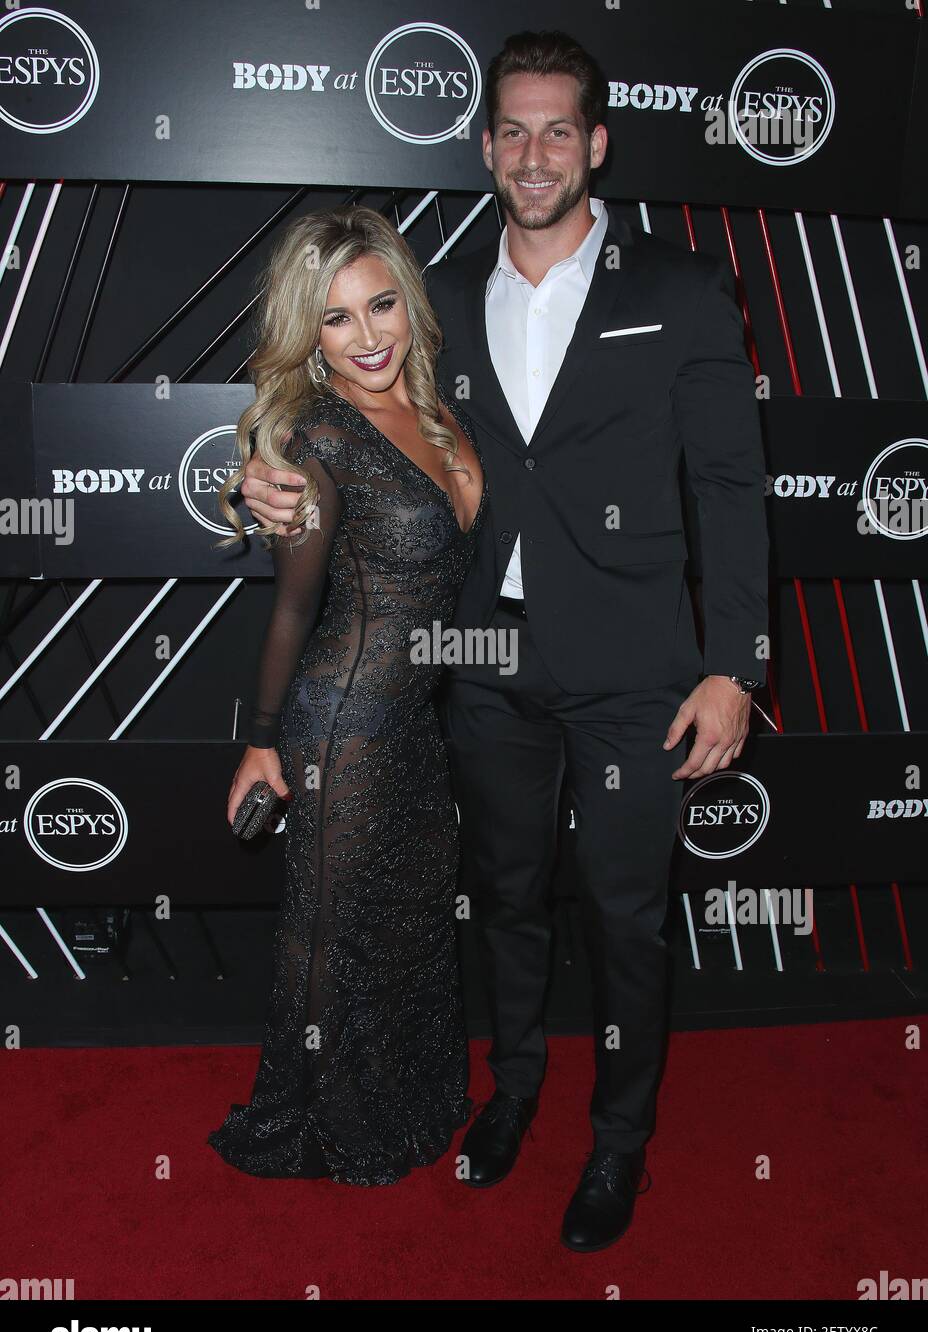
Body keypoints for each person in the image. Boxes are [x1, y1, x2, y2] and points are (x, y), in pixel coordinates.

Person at [240, 31, 769, 1248]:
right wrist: (252, 477)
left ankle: (619, 1145)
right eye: (511, 132)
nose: (534, 155)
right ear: (485, 148)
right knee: (508, 898)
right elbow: (336, 414)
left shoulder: (680, 290)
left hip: (640, 670)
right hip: (483, 666)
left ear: (595, 143)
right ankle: (515, 1093)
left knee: (628, 917)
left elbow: (733, 491)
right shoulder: (440, 308)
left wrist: (735, 665)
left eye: (557, 131)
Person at [207, 205, 486, 1186]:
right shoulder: (317, 437)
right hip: (343, 726)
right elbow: (291, 608)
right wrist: (264, 739)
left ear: (409, 303)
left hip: (413, 726)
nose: (367, 336)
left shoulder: (439, 407)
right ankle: (312, 1123)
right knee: (332, 933)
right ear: (307, 332)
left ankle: (406, 1102)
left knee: (403, 929)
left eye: (381, 305)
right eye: (335, 318)